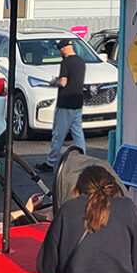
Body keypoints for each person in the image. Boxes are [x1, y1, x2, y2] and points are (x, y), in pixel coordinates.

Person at [38, 38, 86, 174]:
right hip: (77, 101)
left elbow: (63, 82)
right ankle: (82, 160)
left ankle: (50, 162)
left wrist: (54, 81)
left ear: (64, 48)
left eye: (60, 48)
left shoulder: (66, 62)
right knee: (77, 132)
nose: (60, 51)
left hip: (65, 103)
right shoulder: (81, 62)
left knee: (58, 134)